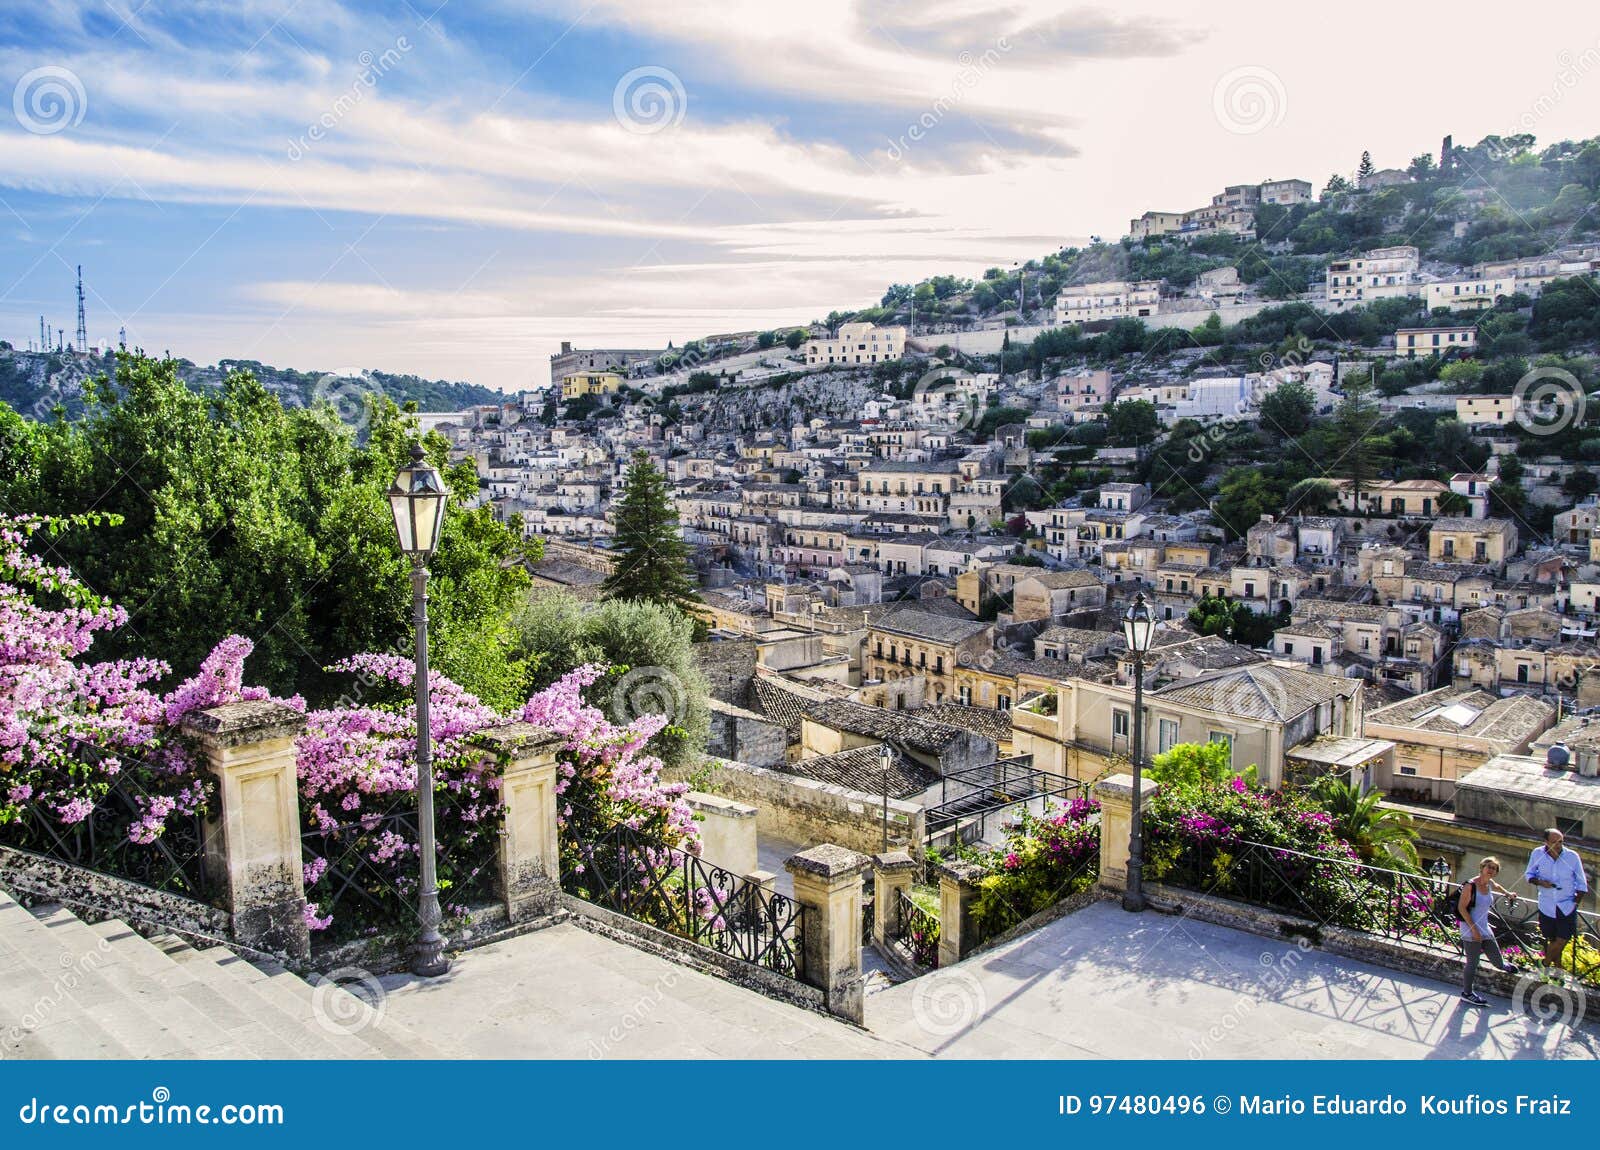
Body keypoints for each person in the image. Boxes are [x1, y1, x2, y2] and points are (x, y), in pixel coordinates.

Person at [1524, 829, 1589, 973]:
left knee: (1563, 938)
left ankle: (1544, 963)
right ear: (1546, 842)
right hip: (1546, 904)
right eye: (1554, 842)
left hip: (1566, 905)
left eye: (1561, 841)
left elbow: (1582, 884)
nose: (1558, 845)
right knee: (1552, 939)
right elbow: (1529, 875)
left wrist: (1575, 904)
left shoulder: (1572, 856)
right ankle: (1557, 970)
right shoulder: (1537, 853)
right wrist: (1540, 882)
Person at [1457, 857, 1517, 1007]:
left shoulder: (1489, 883)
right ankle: (1467, 993)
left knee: (1497, 960)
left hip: (1484, 927)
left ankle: (1504, 966)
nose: (1491, 870)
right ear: (1482, 867)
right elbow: (1461, 908)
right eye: (1488, 867)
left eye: (1494, 868)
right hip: (1470, 928)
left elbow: (1497, 886)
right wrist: (1474, 930)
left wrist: (1508, 894)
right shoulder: (1470, 885)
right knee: (1473, 962)